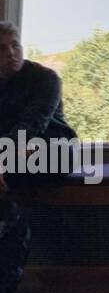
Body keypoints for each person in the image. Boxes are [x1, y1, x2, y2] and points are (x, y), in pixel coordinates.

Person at [0, 20, 77, 194]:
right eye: (2, 49)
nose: (11, 53)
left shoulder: (45, 78)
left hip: (52, 149)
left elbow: (32, 124)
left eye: (15, 45)